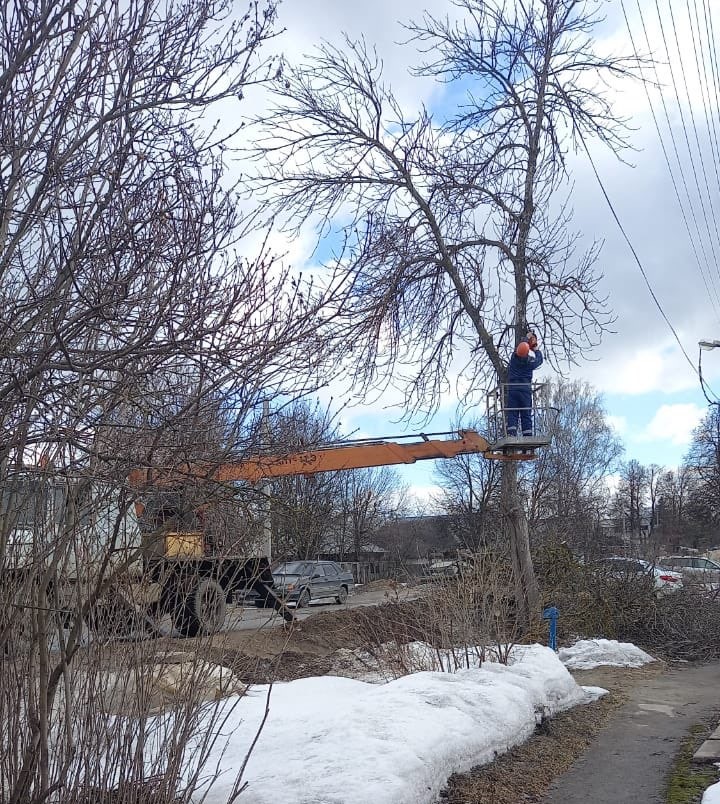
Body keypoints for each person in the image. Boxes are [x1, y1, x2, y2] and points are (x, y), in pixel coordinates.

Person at [505, 331, 543, 437]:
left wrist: (526, 338)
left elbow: (521, 347)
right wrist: (535, 347)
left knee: (512, 413)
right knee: (526, 414)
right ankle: (528, 435)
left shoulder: (513, 359)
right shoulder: (529, 362)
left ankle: (511, 434)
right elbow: (539, 360)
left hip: (513, 390)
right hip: (525, 390)